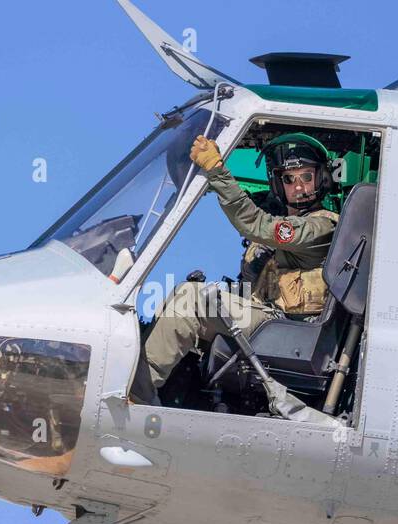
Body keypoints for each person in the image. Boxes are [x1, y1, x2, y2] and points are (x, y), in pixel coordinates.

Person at [140, 133, 340, 396]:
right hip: (265, 317)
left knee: (191, 301)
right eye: (289, 179)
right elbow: (245, 205)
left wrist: (217, 171)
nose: (299, 186)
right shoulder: (278, 215)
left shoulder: (322, 226)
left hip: (288, 328)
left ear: (321, 178)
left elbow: (255, 223)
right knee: (183, 292)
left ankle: (135, 392)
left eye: (306, 177)